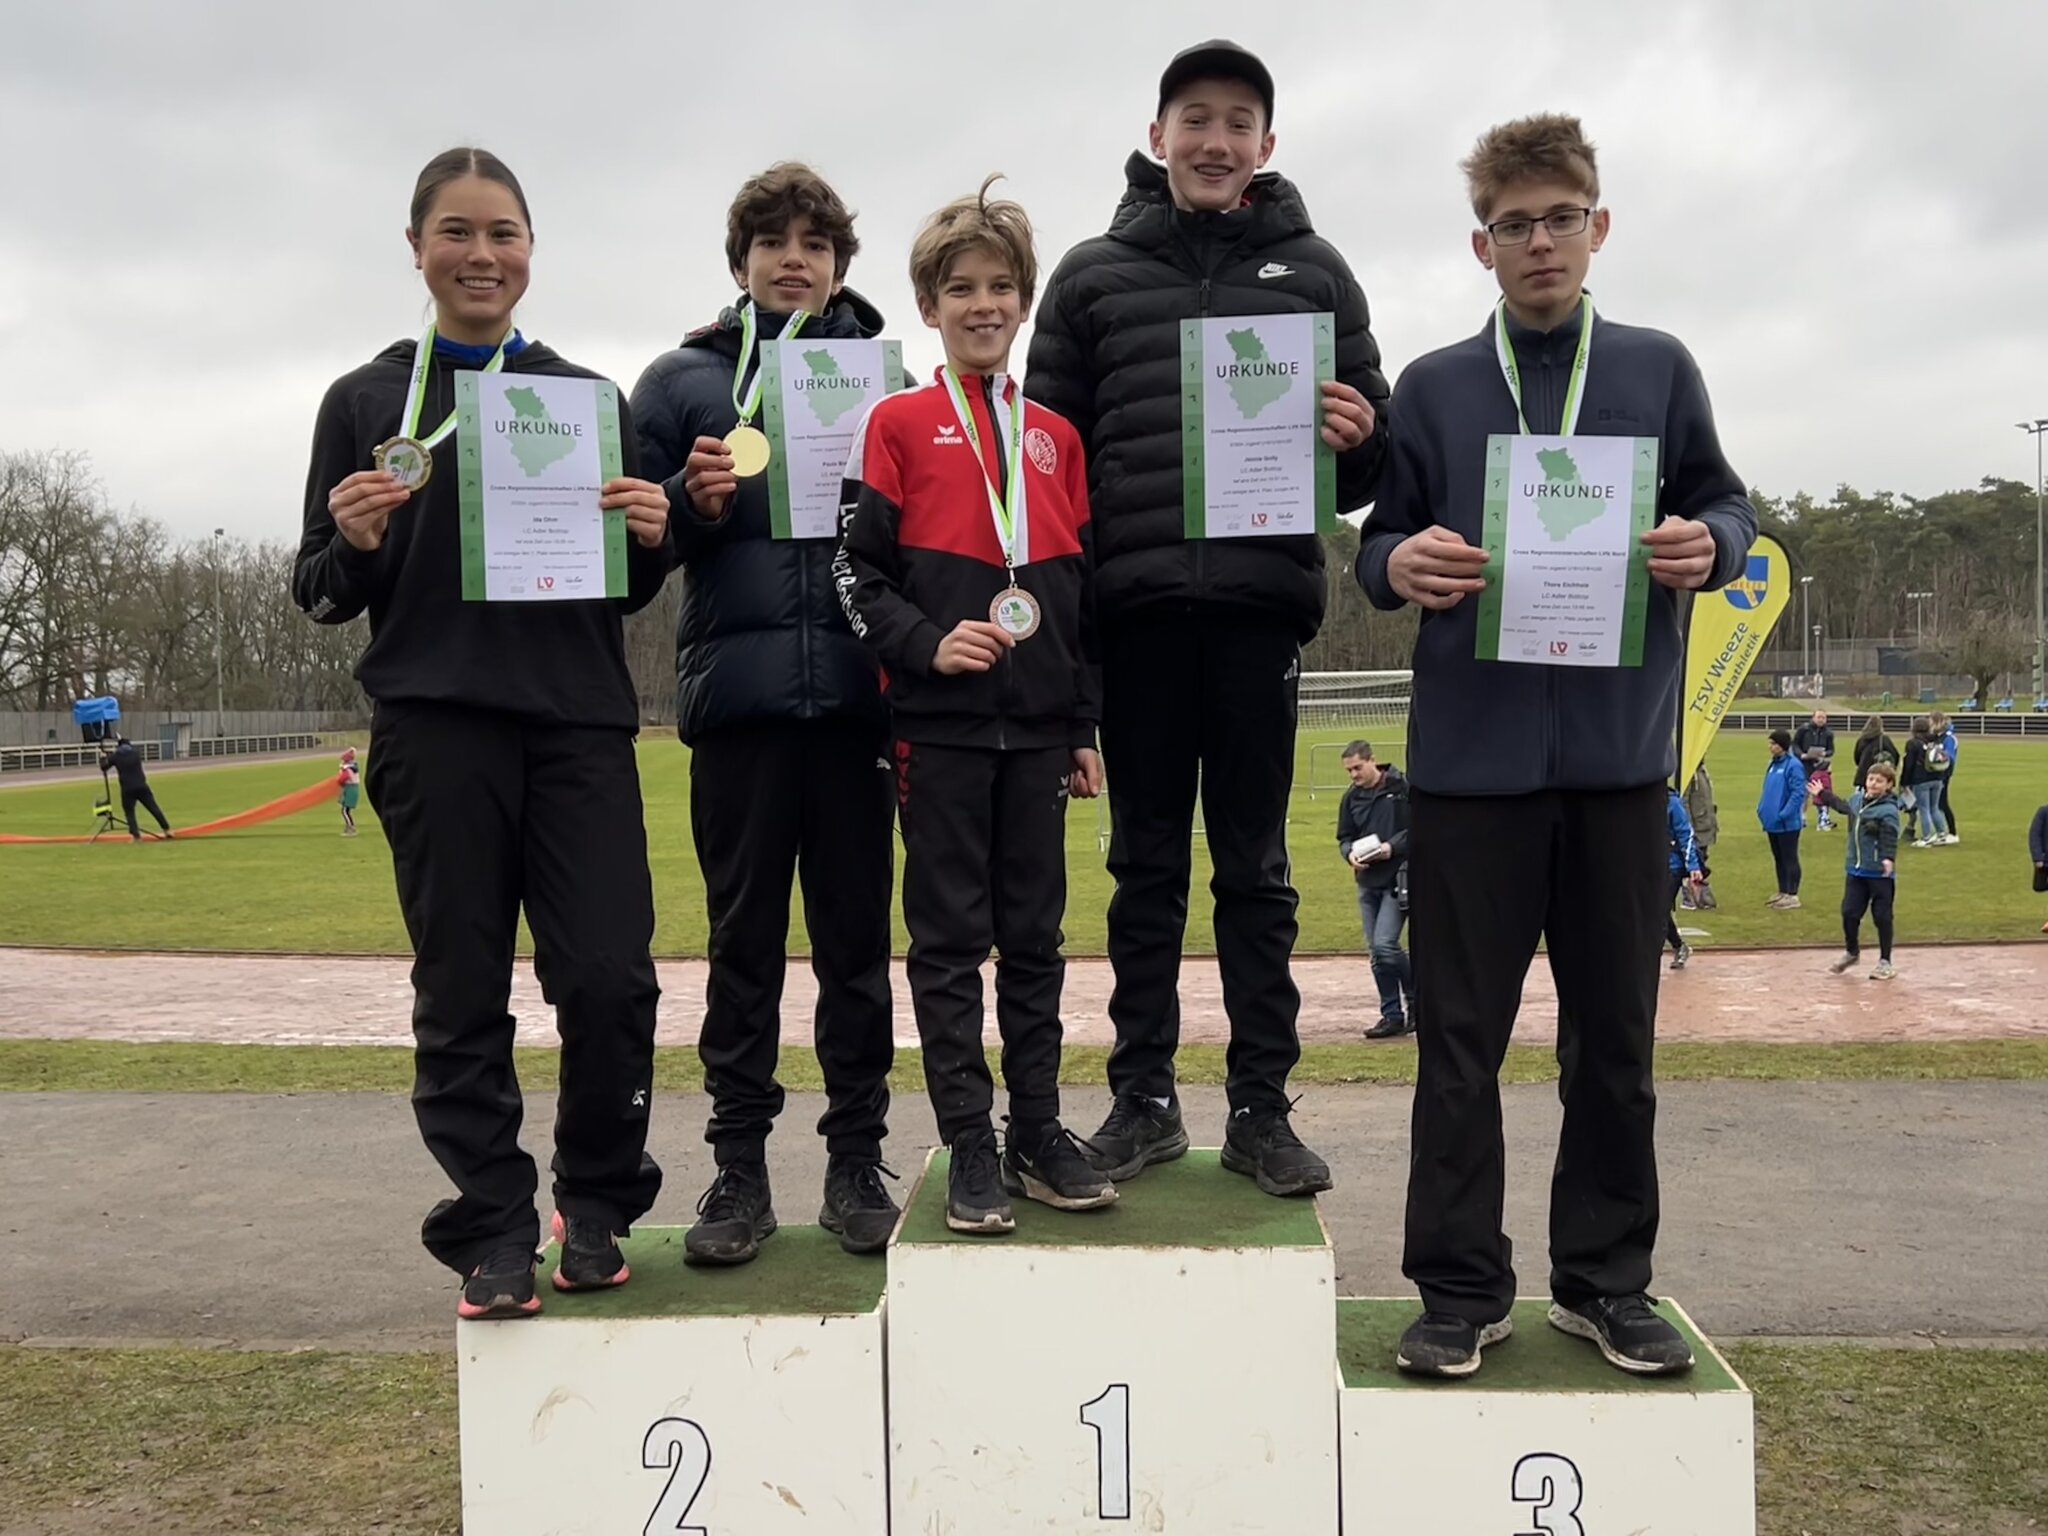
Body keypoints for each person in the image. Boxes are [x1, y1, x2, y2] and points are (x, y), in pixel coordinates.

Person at [1354, 113, 1757, 1378]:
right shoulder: (1430, 386)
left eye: (1560, 217)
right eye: (1514, 224)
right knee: (1457, 1046)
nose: (1539, 241)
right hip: (1470, 777)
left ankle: (1603, 1281)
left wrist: (1717, 546)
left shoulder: (1656, 367)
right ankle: (1458, 1291)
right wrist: (1395, 562)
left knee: (1614, 1048)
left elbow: (1726, 500)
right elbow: (1377, 545)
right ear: (1480, 245)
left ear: (1598, 225)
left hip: (1619, 771)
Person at [292, 147, 675, 1321]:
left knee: (608, 981)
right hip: (435, 729)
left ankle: (597, 1204)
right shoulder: (365, 401)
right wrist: (351, 538)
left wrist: (653, 531)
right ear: (416, 249)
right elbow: (316, 590)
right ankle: (493, 1227)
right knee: (460, 990)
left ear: (528, 254)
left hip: (574, 730)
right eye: (456, 232)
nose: (481, 255)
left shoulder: (581, 399)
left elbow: (621, 589)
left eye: (503, 234)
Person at [1025, 39, 1390, 1198]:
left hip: (1253, 620)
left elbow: (1371, 454)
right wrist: (1064, 652)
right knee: (1142, 872)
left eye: (1238, 122)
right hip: (1130, 622)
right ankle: (1140, 1101)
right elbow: (1043, 468)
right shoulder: (1087, 276)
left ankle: (1260, 1109)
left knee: (1256, 872)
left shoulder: (1315, 271)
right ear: (1156, 134)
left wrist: (1356, 435)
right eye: (1195, 118)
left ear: (1265, 146)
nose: (1215, 141)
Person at [630, 164, 898, 1267]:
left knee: (854, 951)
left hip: (851, 705)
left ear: (839, 263)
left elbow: (914, 536)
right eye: (772, 242)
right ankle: (736, 1171)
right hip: (737, 711)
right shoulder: (679, 383)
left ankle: (852, 1164)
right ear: (739, 260)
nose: (794, 258)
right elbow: (628, 565)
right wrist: (684, 516)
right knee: (742, 951)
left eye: (815, 243)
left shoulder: (883, 381)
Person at [835, 177, 1109, 1234]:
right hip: (937, 731)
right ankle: (968, 1145)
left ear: (1023, 300)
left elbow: (1076, 598)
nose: (982, 304)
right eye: (961, 288)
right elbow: (855, 578)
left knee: (1036, 941)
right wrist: (925, 644)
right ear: (929, 306)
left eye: (1000, 286)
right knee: (949, 942)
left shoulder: (1055, 437)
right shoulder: (896, 423)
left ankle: (1036, 1129)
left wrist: (1080, 726)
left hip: (1036, 731)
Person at [1335, 741, 1412, 1039]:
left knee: (1385, 945)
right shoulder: (1350, 799)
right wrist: (1349, 854)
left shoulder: (1401, 788)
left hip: (1398, 879)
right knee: (1377, 956)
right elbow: (1344, 836)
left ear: (1372, 761)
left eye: (1357, 767)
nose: (1353, 775)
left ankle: (1417, 995)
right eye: (1349, 770)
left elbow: (1417, 829)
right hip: (1367, 882)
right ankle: (1391, 1015)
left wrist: (1391, 848)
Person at [1810, 760, 1902, 981]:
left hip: (1879, 873)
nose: (1873, 783)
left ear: (1889, 785)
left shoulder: (1888, 810)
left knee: (1882, 917)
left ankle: (1885, 962)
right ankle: (1852, 952)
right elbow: (1844, 806)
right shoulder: (1858, 800)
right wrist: (1823, 793)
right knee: (1849, 913)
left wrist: (1888, 858)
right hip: (1856, 870)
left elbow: (1890, 836)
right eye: (1871, 779)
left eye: (1879, 781)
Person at [1758, 728, 1808, 908]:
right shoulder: (1773, 764)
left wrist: (1785, 813)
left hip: (1787, 823)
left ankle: (1793, 894)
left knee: (1789, 857)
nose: (1770, 747)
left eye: (1773, 744)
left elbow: (1798, 793)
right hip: (1772, 822)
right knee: (1778, 857)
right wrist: (1762, 809)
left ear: (1782, 746)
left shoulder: (1793, 765)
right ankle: (1783, 891)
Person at [101, 737, 172, 842]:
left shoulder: (116, 756)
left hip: (127, 788)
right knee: (153, 808)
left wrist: (104, 758)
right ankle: (167, 829)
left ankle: (136, 836)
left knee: (130, 812)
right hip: (142, 785)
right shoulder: (135, 753)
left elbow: (104, 767)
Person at [1664, 786, 1703, 969]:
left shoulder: (1672, 803)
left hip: (1673, 865)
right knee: (1653, 911)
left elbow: (1685, 834)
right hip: (1651, 865)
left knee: (1659, 909)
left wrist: (1693, 866)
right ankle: (1679, 946)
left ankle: (1678, 947)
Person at [1901, 716, 1950, 848]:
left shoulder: (1913, 743)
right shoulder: (1936, 740)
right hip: (1937, 777)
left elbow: (1909, 765)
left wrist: (1904, 782)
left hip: (1921, 779)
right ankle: (1941, 834)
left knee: (1924, 809)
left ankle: (1926, 837)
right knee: (1934, 808)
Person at [1680, 764, 1718, 909]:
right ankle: (1689, 897)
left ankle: (1699, 896)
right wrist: (1688, 828)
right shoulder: (1689, 773)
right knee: (1693, 861)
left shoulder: (1702, 771)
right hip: (1697, 827)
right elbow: (1684, 801)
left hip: (1706, 825)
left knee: (1703, 860)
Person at [1793, 709, 1836, 831]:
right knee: (1804, 793)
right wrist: (1801, 754)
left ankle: (1823, 818)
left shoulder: (1828, 733)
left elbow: (1831, 750)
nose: (1821, 720)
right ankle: (1801, 818)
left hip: (1820, 766)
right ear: (1813, 718)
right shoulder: (1804, 730)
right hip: (1804, 765)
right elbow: (1794, 744)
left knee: (1822, 793)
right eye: (1819, 717)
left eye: (1823, 717)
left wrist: (1824, 753)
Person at [1928, 708, 1959, 844]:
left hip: (1944, 773)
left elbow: (1949, 756)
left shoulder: (1949, 738)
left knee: (1943, 803)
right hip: (1935, 773)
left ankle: (1952, 832)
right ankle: (1940, 831)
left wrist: (1939, 757)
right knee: (1936, 804)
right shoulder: (1936, 737)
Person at [1851, 713, 1898, 786]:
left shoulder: (1861, 740)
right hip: (1880, 774)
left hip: (1862, 775)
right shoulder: (1883, 739)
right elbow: (1894, 755)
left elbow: (1856, 757)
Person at [2030, 801, 2048, 934]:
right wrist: (2038, 858)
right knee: (2038, 886)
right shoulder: (2043, 812)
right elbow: (2034, 835)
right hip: (2045, 860)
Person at [337, 747, 362, 837]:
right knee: (346, 810)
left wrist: (342, 769)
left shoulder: (348, 768)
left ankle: (350, 828)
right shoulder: (352, 766)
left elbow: (342, 779)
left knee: (345, 811)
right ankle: (350, 827)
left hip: (350, 788)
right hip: (351, 788)